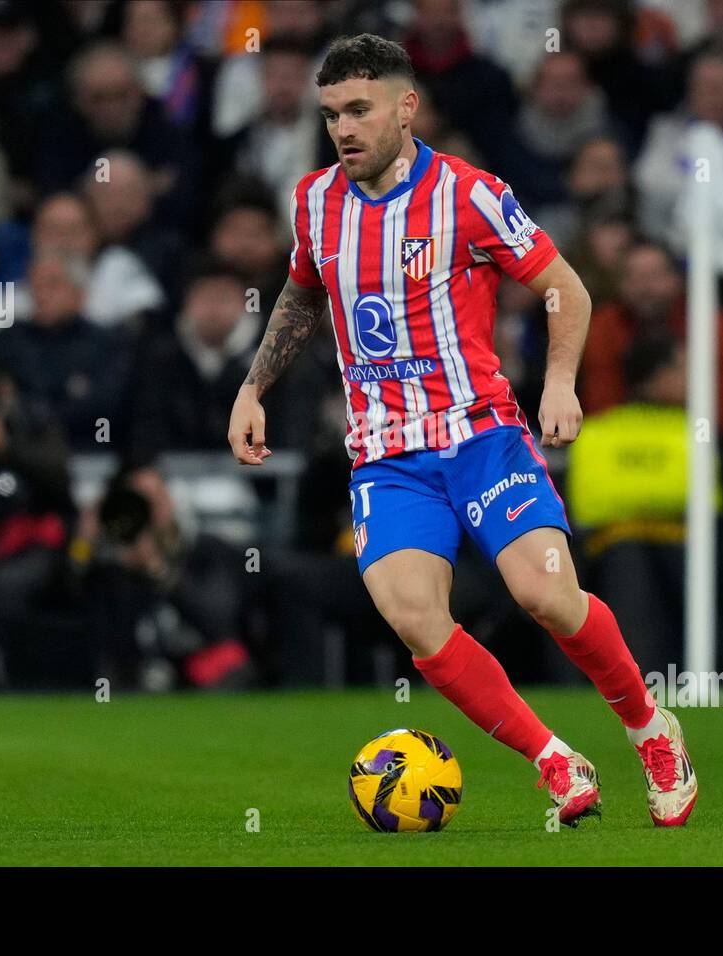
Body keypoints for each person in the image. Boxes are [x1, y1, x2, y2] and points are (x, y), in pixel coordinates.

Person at [226, 34, 696, 829]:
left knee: (546, 596)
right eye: (332, 113)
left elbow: (565, 288)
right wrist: (253, 385)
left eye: (360, 110)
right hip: (386, 457)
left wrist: (556, 384)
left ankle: (650, 727)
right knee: (414, 618)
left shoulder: (468, 194)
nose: (344, 128)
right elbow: (303, 295)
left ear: (407, 108)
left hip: (481, 437)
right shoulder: (312, 201)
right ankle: (554, 759)